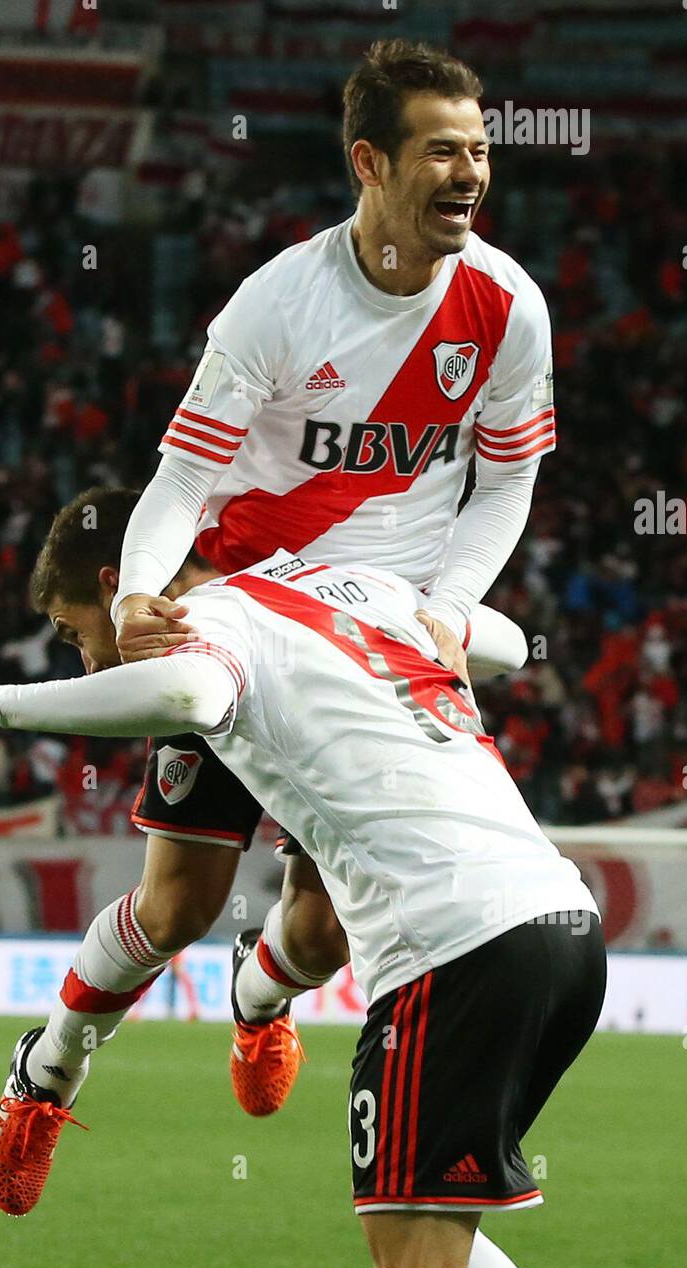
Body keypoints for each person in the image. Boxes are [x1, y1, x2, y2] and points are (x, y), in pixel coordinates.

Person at [0, 509, 605, 1268]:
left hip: (451, 951)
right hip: (562, 928)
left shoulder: (211, 618)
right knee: (437, 1225)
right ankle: (53, 1070)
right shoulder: (360, 584)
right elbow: (506, 644)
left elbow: (185, 687)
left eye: (72, 632)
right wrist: (435, 615)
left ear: (120, 586)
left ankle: (217, 1005)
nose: (79, 657)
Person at [110, 40, 558, 1110]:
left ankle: (258, 1000)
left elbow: (503, 486)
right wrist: (137, 589)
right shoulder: (276, 304)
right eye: (443, 150)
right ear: (370, 162)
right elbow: (180, 480)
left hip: (379, 636)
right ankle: (46, 1069)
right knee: (173, 908)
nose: (471, 173)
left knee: (321, 930)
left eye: (481, 150)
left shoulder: (508, 308)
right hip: (247, 615)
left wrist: (449, 608)